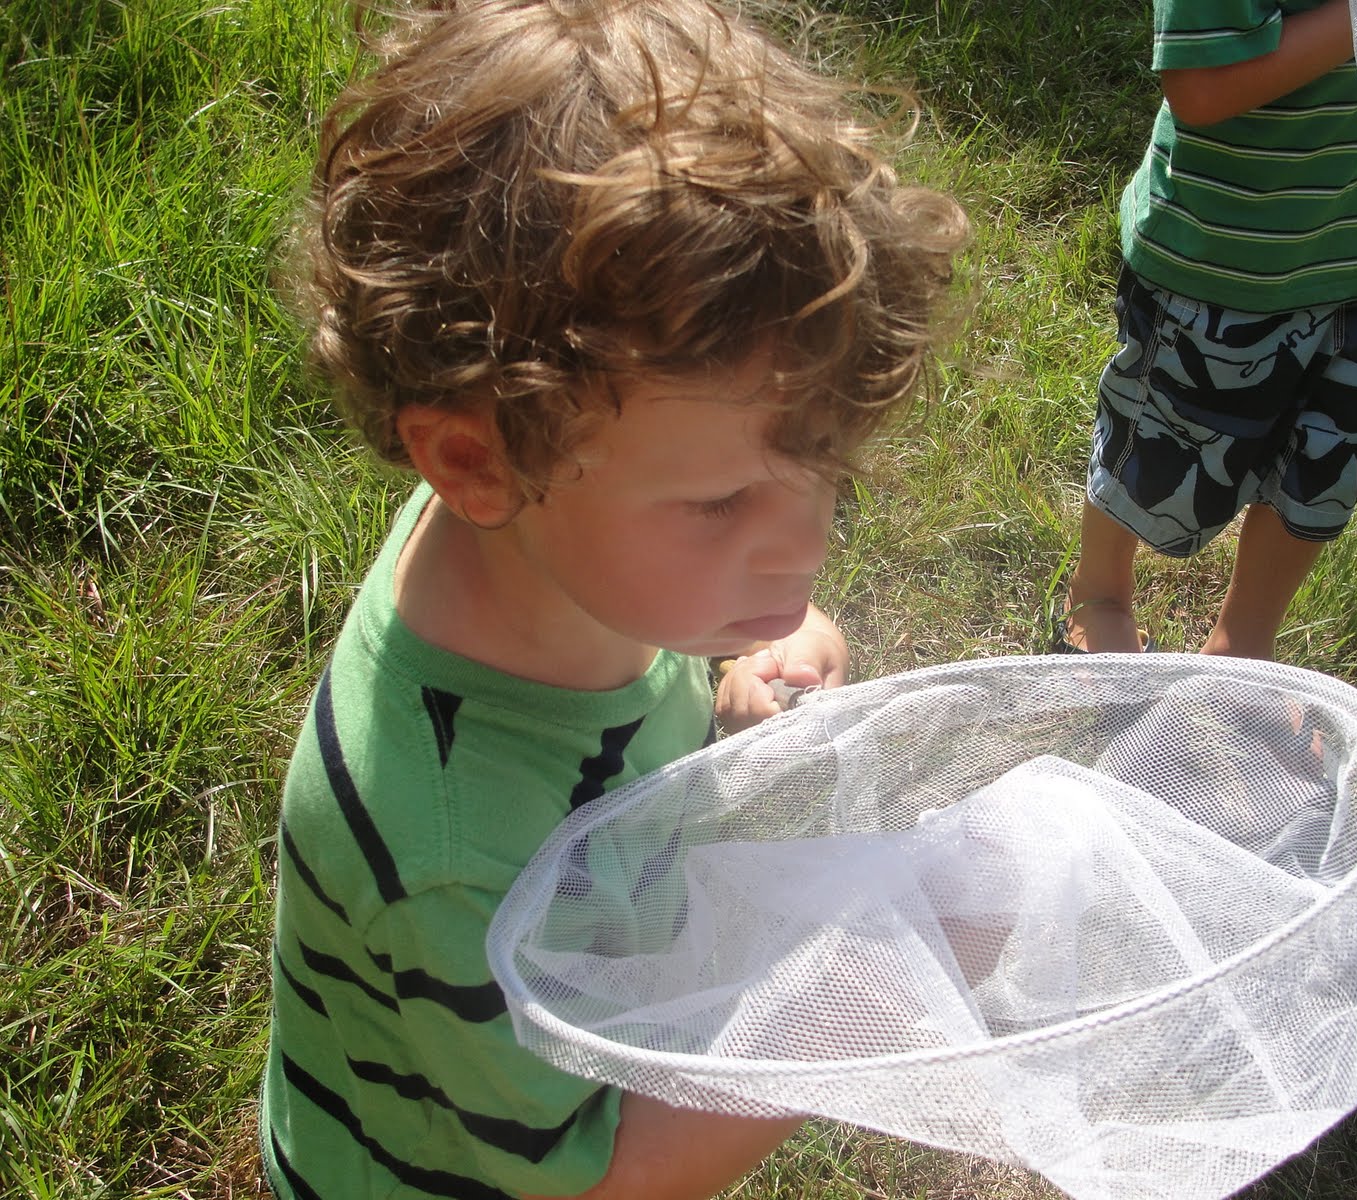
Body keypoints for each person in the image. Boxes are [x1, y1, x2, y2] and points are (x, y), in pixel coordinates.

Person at [257, 1, 967, 1196]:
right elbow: (595, 1181)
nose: (801, 557)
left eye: (824, 473)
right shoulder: (454, 859)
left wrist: (737, 658)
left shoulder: (545, 551)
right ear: (475, 461)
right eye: (719, 506)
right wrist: (847, 1011)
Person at [1057, 0, 1357, 659]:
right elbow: (1200, 86)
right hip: (1219, 257)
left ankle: (1245, 638)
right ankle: (1099, 586)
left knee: (1320, 469)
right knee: (1157, 443)